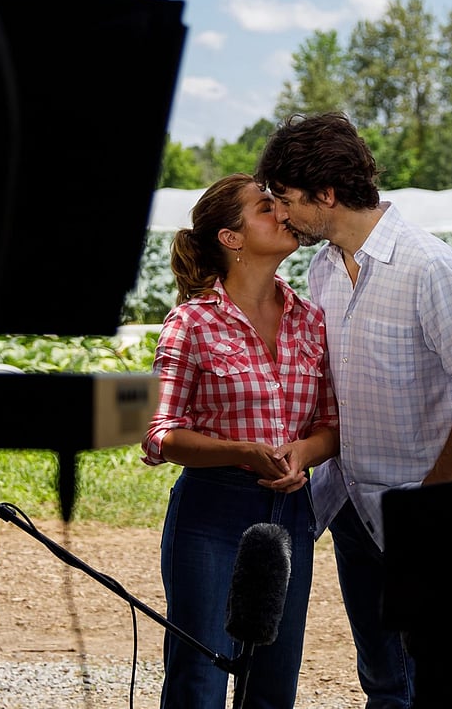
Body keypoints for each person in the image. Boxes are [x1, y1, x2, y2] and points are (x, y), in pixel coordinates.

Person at [254, 112, 452, 708]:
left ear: (327, 194)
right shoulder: (322, 269)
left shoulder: (429, 267)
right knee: (385, 684)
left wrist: (435, 495)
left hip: (430, 512)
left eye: (287, 200)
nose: (282, 214)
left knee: (442, 682)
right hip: (354, 507)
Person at [142, 172, 340, 709]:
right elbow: (158, 435)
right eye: (264, 208)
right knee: (198, 681)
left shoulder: (311, 319)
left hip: (291, 513)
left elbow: (330, 424)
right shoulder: (190, 323)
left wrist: (304, 453)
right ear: (231, 238)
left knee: (273, 687)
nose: (282, 213)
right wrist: (242, 452)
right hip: (212, 510)